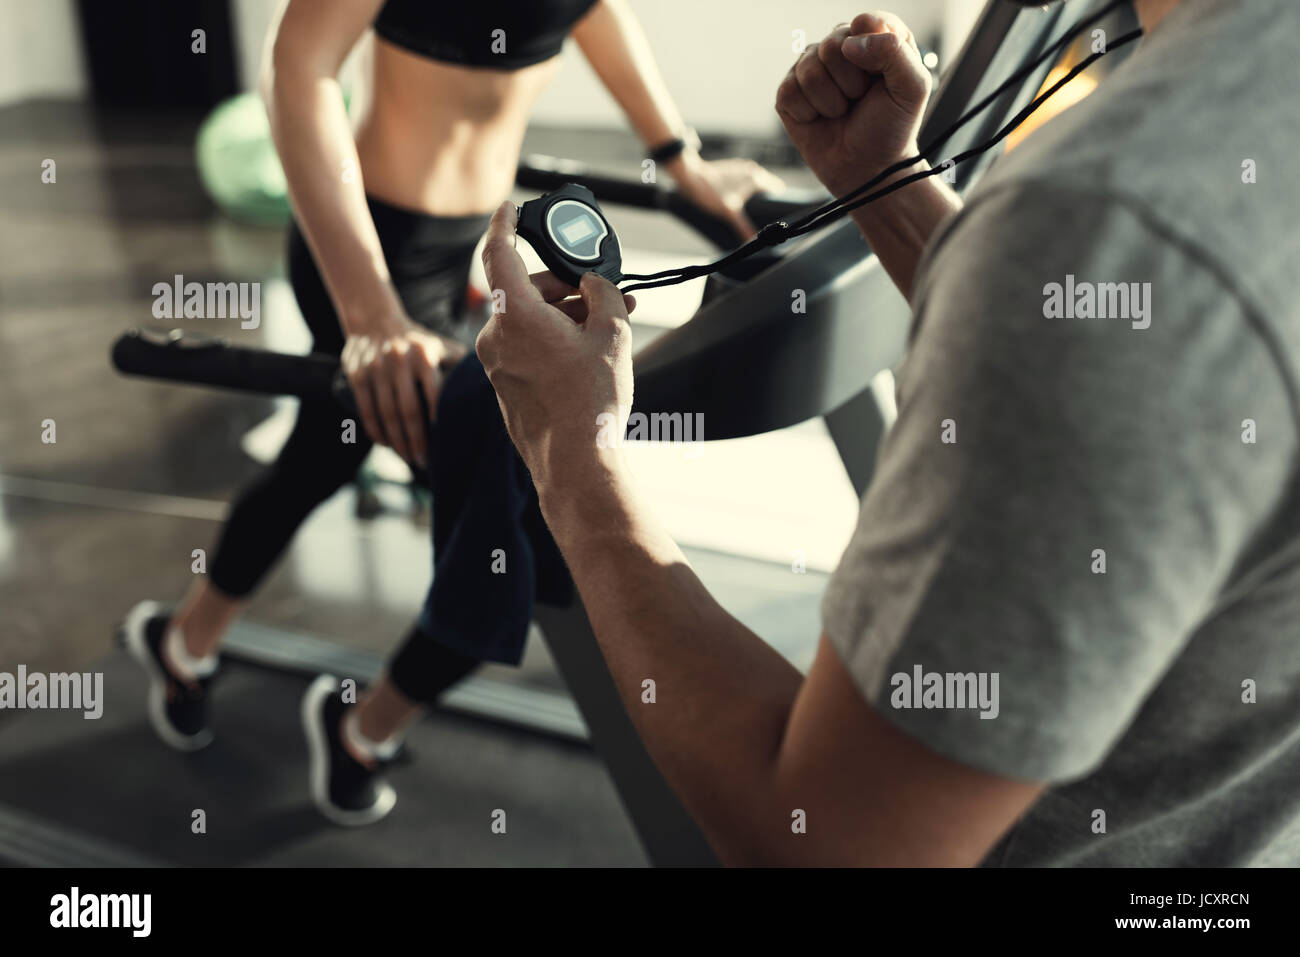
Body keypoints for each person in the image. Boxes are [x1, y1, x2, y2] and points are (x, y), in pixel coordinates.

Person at [475, 0, 1300, 865]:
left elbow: (825, 844)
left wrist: (569, 449)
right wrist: (892, 188)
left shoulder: (1106, 215)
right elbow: (1146, 377)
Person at [122, 0, 779, 825]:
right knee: (506, 504)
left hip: (465, 243)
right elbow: (300, 64)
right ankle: (359, 728)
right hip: (369, 250)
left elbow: (597, 14)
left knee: (328, 458)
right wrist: (368, 313)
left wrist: (680, 162)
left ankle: (190, 647)